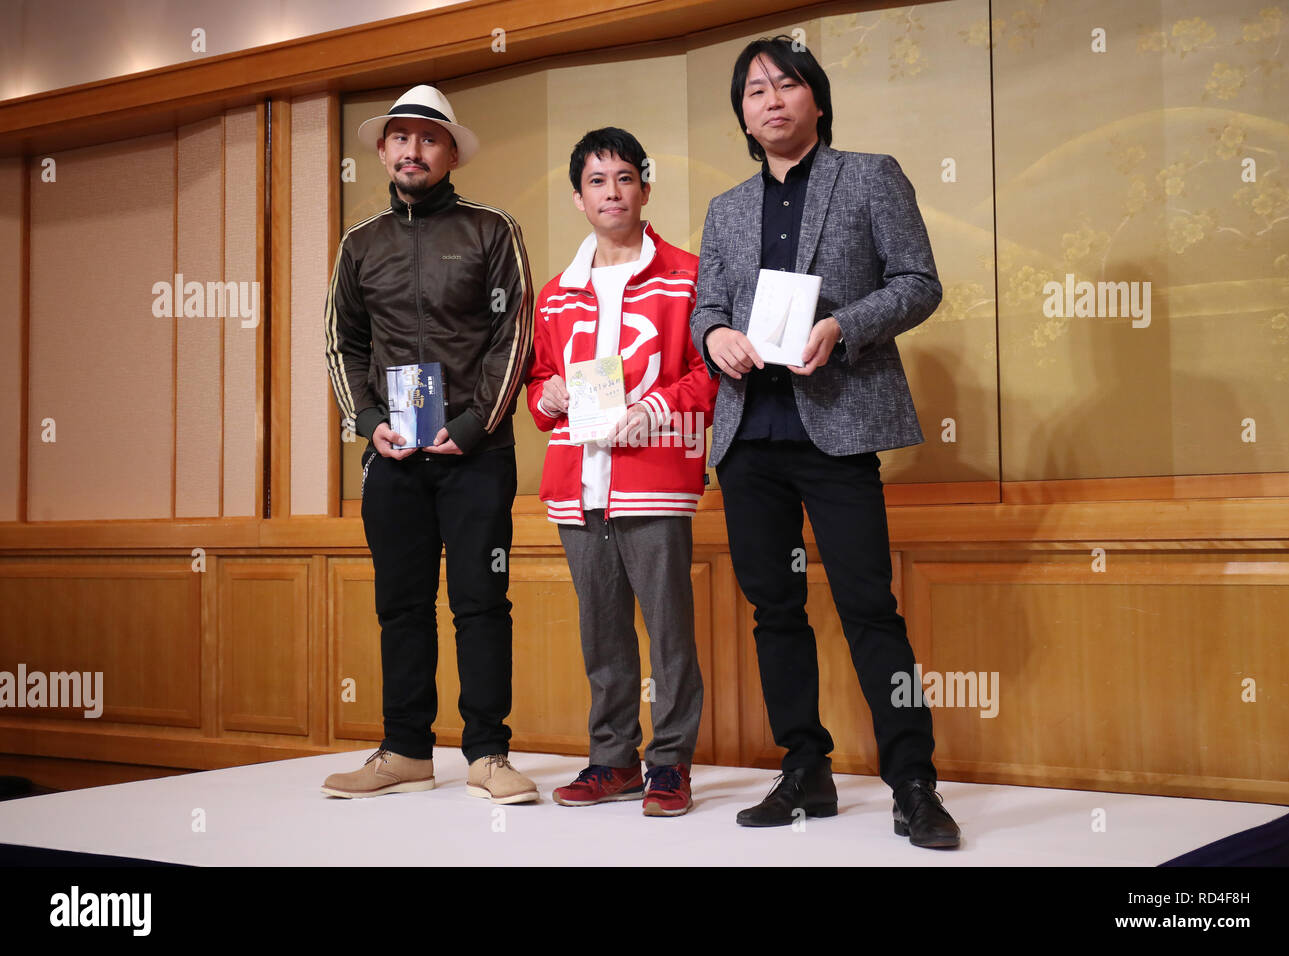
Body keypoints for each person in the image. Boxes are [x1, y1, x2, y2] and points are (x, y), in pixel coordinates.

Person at [690, 37, 961, 847]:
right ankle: (805, 770)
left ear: (815, 97)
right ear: (742, 113)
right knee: (774, 612)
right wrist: (715, 341)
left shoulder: (869, 174)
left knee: (870, 608)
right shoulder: (726, 208)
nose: (770, 99)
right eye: (753, 91)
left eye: (785, 84)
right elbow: (705, 306)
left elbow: (918, 281)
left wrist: (844, 326)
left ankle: (914, 781)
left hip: (839, 428)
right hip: (748, 436)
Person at [321, 84, 539, 804]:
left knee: (481, 601)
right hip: (393, 455)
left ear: (449, 152)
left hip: (477, 454)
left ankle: (488, 753)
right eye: (400, 138)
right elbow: (342, 342)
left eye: (428, 138)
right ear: (384, 152)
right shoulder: (361, 244)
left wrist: (474, 425)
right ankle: (407, 749)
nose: (412, 150)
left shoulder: (492, 229)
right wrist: (367, 419)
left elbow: (517, 336)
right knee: (400, 604)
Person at [526, 128, 716, 816]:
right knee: (601, 629)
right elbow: (541, 381)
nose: (613, 192)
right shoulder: (553, 295)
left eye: (625, 178)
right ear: (579, 198)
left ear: (644, 188)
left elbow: (710, 373)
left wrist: (659, 405)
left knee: (668, 631)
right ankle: (612, 760)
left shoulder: (688, 275)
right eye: (598, 182)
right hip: (578, 484)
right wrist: (544, 395)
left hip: (655, 477)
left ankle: (670, 762)